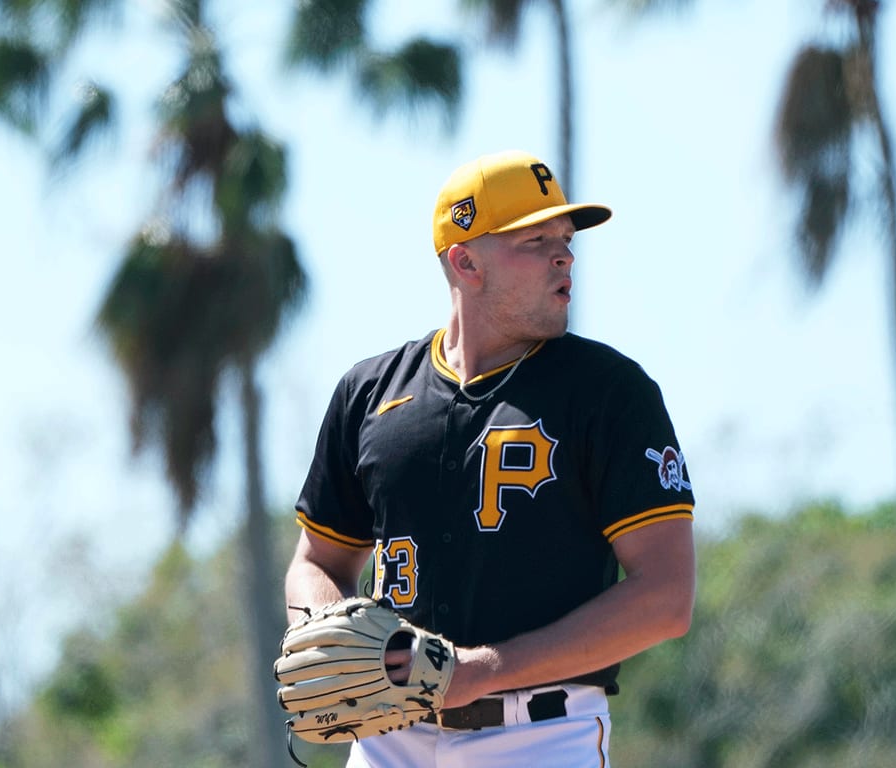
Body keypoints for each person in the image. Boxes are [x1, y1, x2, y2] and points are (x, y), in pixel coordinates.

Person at [283, 149, 696, 768]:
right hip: (388, 742)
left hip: (541, 736)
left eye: (565, 238)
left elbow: (666, 596)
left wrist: (477, 671)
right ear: (465, 261)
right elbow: (318, 557)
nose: (564, 254)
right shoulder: (368, 393)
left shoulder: (609, 391)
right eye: (534, 240)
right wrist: (324, 628)